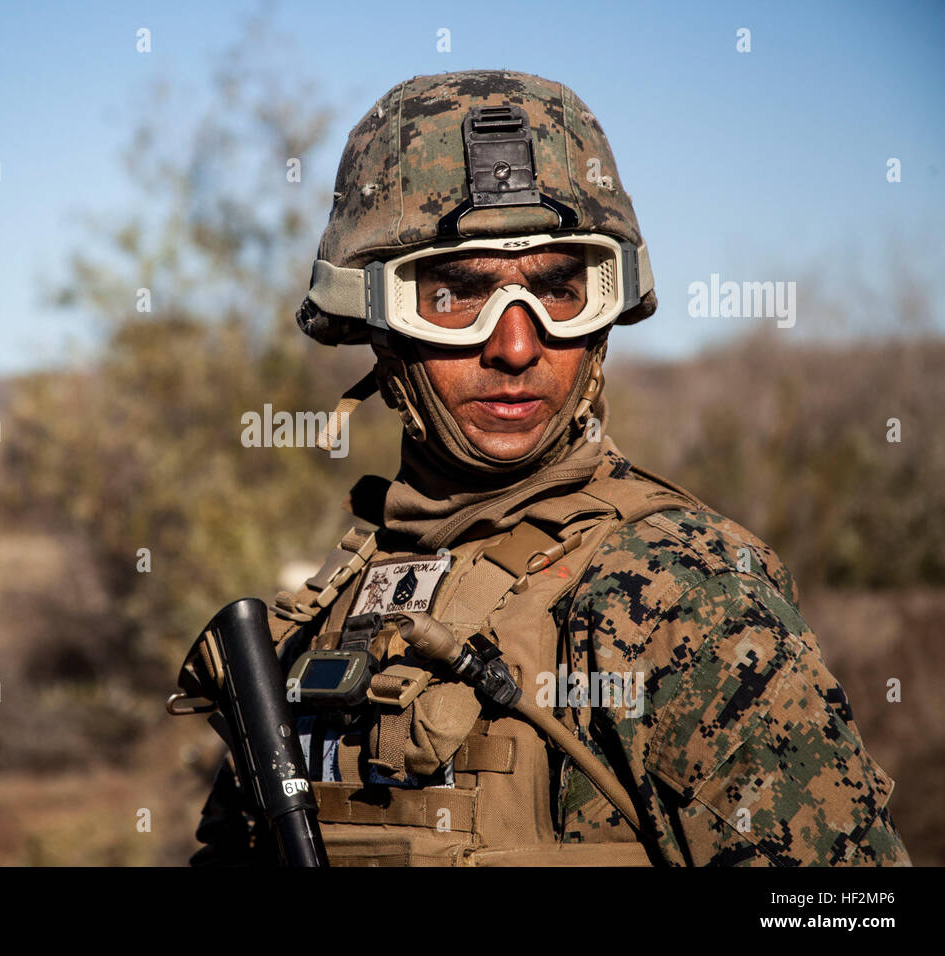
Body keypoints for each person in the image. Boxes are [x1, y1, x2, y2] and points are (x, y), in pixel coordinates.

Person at [188, 70, 910, 867]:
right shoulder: (342, 590)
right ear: (377, 324)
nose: (516, 346)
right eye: (458, 295)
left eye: (559, 290)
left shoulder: (680, 592)